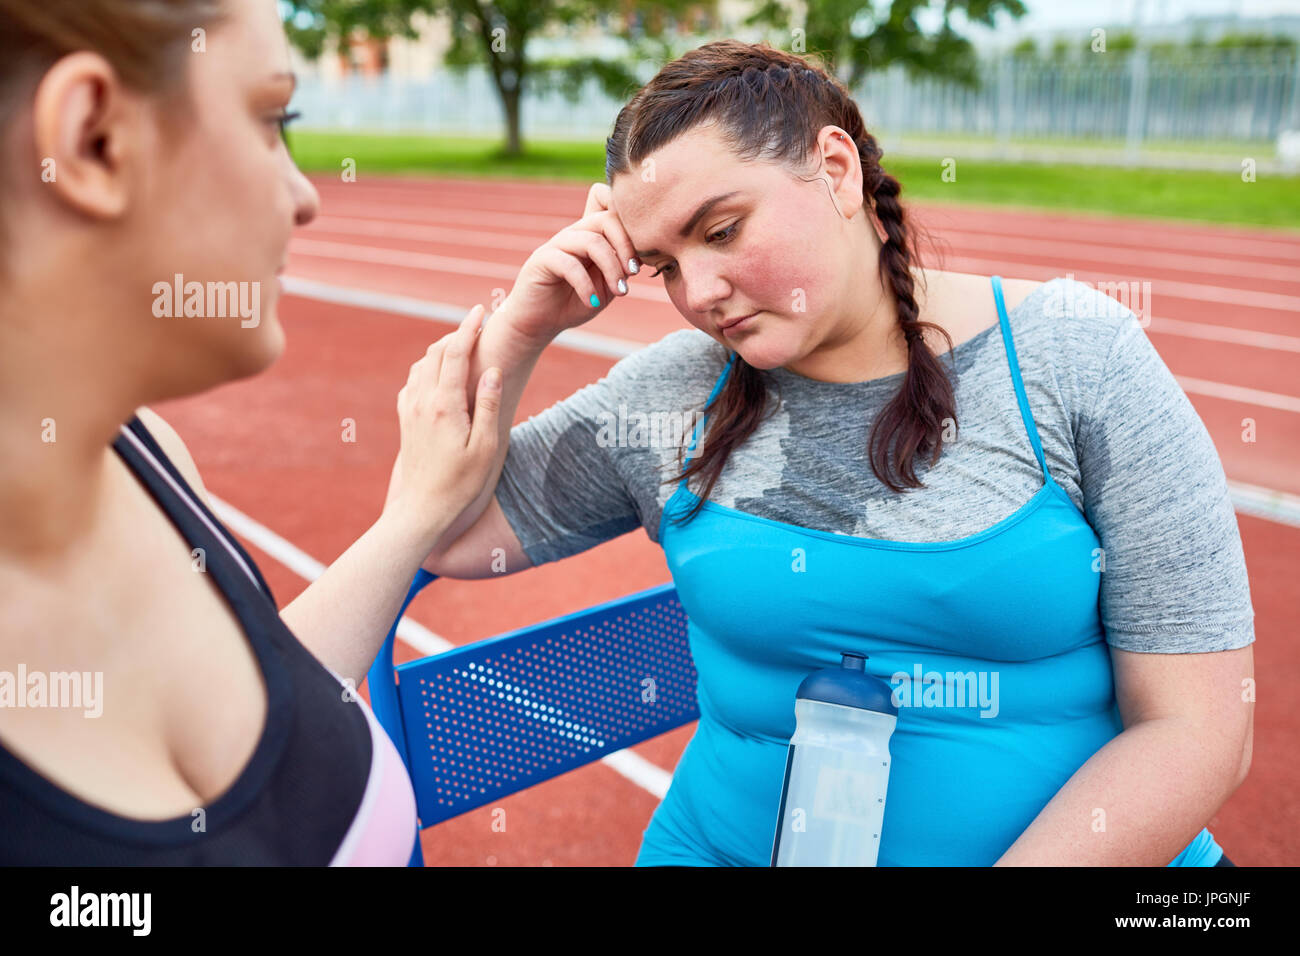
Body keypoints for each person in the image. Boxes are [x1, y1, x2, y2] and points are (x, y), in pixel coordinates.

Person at [418, 40, 1256, 866]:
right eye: (661, 265)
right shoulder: (677, 396)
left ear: (837, 169)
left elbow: (1199, 728)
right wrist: (523, 331)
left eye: (722, 229)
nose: (698, 294)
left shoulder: (1076, 356)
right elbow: (445, 532)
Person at [0, 0, 515, 864]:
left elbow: (278, 709)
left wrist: (413, 517)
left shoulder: (148, 460)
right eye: (274, 118)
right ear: (92, 140)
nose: (306, 196)